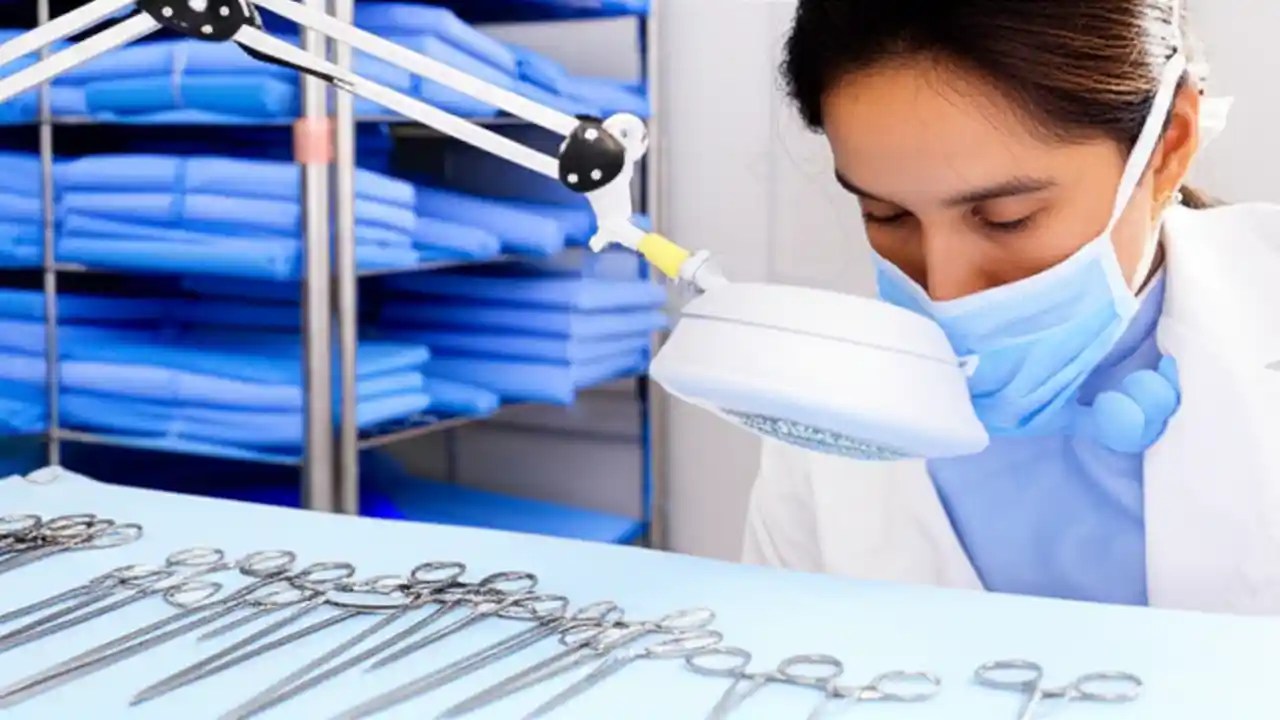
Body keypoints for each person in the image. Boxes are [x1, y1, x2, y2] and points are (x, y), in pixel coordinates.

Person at [741, 0, 1280, 615]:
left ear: (1169, 148)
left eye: (1007, 220)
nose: (945, 293)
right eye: (886, 216)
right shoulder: (824, 410)